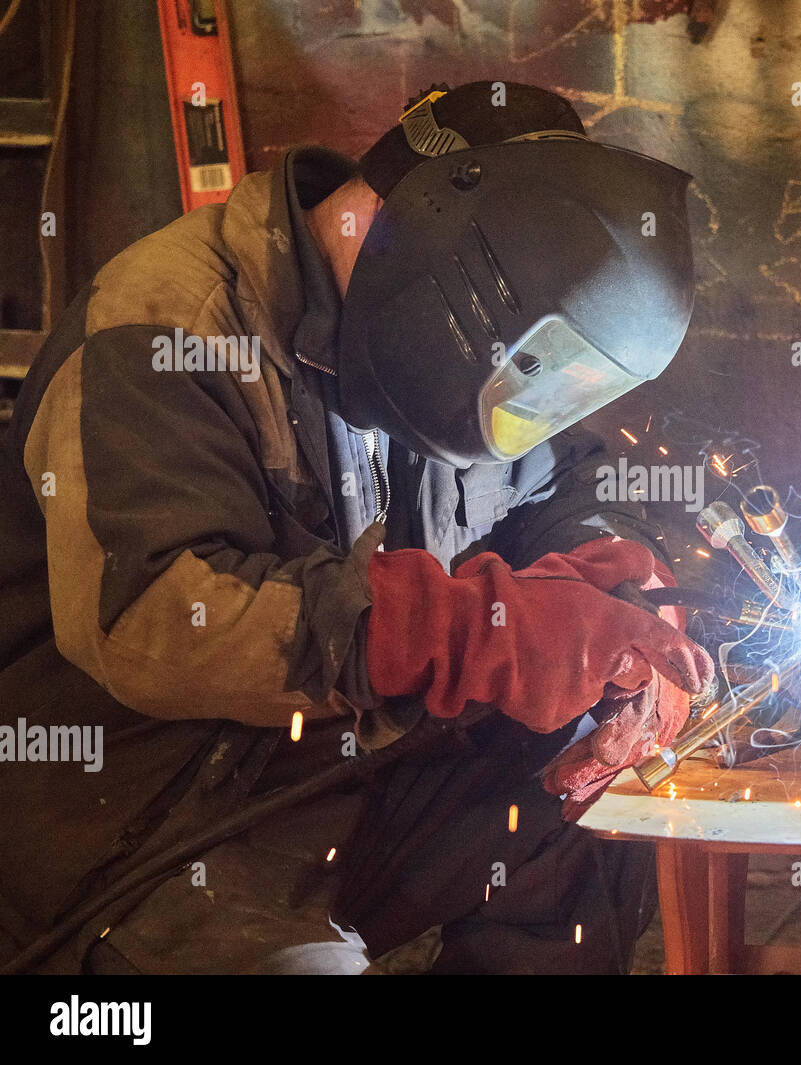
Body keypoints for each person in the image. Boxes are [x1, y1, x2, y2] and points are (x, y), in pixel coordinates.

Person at [0, 80, 713, 974]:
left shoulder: (437, 352)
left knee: (580, 801)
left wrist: (611, 570)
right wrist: (453, 633)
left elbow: (555, 481)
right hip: (133, 828)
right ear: (459, 259)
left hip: (328, 777)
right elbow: (149, 617)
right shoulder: (167, 323)